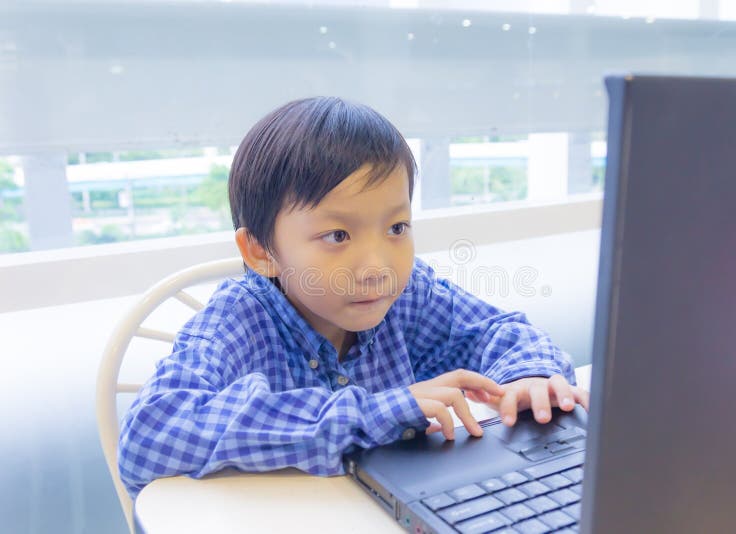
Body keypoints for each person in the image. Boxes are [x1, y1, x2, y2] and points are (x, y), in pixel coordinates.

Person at [118, 97, 588, 498]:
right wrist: (372, 413)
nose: (377, 266)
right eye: (338, 235)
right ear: (261, 251)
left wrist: (529, 375)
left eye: (396, 228)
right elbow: (151, 433)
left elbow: (497, 331)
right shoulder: (238, 319)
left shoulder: (407, 295)